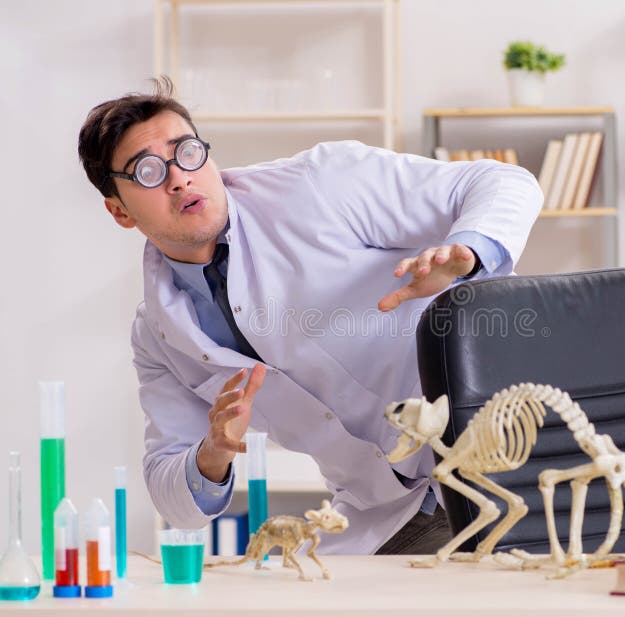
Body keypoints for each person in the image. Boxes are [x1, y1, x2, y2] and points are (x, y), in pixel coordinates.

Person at [78, 78, 542, 554]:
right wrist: (211, 453)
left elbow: (502, 182)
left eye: (187, 152)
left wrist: (468, 250)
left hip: (497, 463)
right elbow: (173, 498)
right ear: (120, 211)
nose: (179, 178)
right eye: (148, 171)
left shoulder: (317, 184)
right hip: (388, 516)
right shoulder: (158, 336)